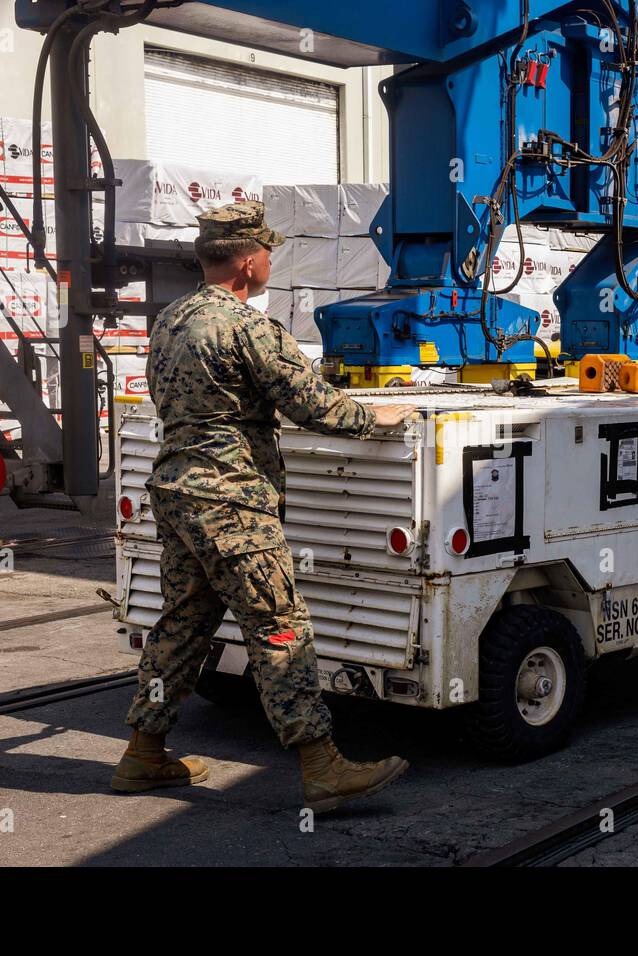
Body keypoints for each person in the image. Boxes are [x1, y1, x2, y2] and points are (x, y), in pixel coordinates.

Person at [112, 200, 416, 814]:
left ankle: (144, 751)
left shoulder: (170, 319)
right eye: (268, 252)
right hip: (231, 501)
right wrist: (378, 414)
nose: (271, 261)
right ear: (249, 262)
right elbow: (315, 406)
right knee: (279, 627)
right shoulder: (247, 326)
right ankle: (321, 766)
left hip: (175, 490)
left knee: (184, 623)